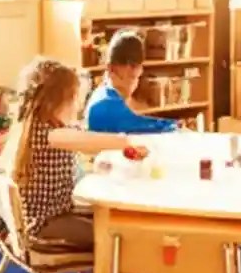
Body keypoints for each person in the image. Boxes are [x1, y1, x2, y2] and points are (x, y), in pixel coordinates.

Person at [10, 57, 145, 249]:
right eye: (73, 98)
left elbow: (83, 142)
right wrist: (126, 142)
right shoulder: (47, 133)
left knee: (108, 218)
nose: (77, 105)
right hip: (46, 225)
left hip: (56, 214)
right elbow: (85, 141)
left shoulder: (37, 126)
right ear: (55, 101)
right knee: (114, 236)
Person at [85, 29, 179, 134]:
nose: (135, 72)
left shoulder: (103, 93)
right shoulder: (105, 104)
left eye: (137, 67)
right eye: (131, 76)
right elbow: (139, 126)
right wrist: (173, 126)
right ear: (111, 69)